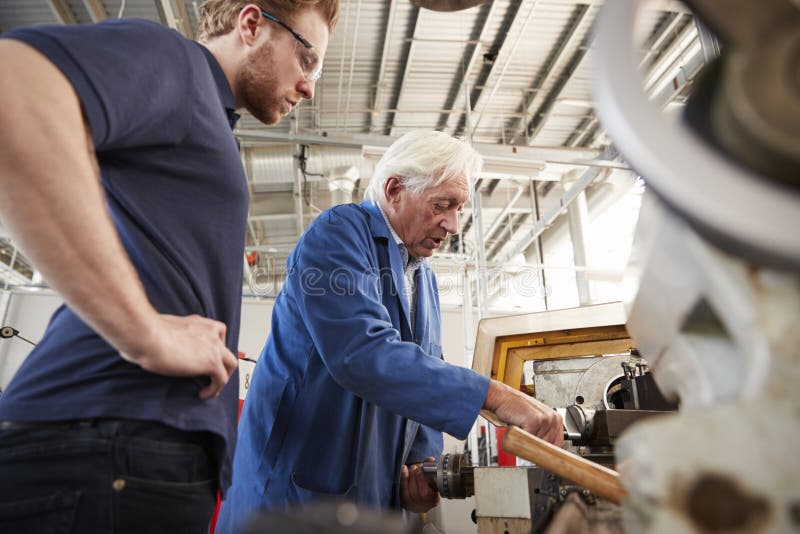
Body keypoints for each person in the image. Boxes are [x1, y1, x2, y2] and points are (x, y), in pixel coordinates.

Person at [0, 1, 337, 531]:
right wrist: (144, 333)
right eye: (307, 59)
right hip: (109, 444)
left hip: (129, 450)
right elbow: (16, 87)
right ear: (251, 24)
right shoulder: (178, 64)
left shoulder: (205, 114)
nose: (309, 87)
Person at [217, 130, 563, 530]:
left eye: (459, 208)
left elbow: (424, 370)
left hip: (368, 495)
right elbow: (363, 354)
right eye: (442, 205)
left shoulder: (424, 277)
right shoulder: (338, 234)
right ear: (395, 190)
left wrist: (420, 466)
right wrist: (495, 396)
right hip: (290, 493)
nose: (452, 224)